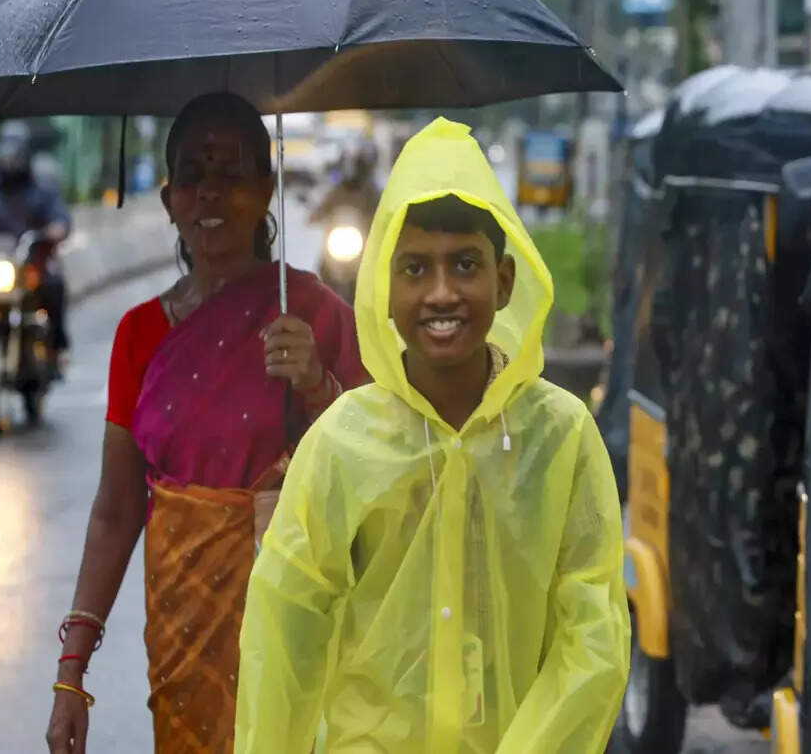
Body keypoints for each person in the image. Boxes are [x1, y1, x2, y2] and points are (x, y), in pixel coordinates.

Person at [235, 117, 629, 753]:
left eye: (465, 265)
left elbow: (593, 638)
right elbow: (285, 632)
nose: (441, 292)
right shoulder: (342, 443)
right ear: (383, 290)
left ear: (504, 281)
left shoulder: (560, 438)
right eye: (415, 269)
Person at [44, 93, 367, 754]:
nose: (211, 193)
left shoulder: (313, 312)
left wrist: (316, 384)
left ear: (266, 191)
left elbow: (382, 468)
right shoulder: (138, 334)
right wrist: (71, 673)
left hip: (297, 617)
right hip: (181, 625)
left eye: (233, 172)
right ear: (168, 201)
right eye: (193, 174)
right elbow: (116, 509)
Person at [0, 125, 72, 351]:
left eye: (15, 155)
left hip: (30, 266)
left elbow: (60, 217)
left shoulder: (42, 192)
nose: (11, 161)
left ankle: (57, 344)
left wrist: (56, 229)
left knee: (54, 285)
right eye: (6, 155)